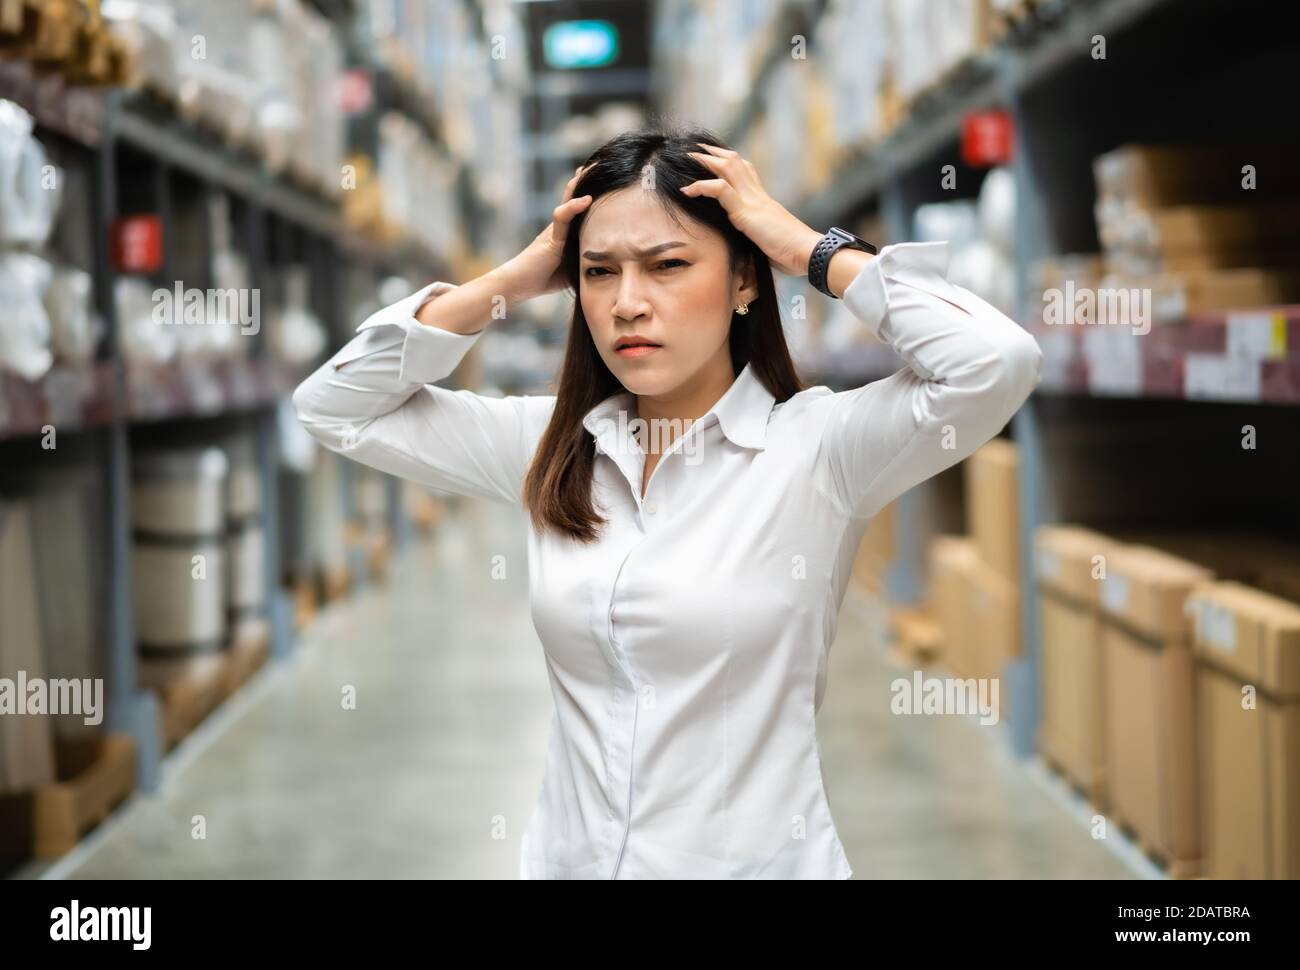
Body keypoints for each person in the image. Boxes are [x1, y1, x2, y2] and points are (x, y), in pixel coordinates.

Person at [292, 126, 1043, 879]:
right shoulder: (552, 450)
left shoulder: (818, 451)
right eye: (598, 272)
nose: (627, 304)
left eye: (668, 266)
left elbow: (995, 362)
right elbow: (334, 406)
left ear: (745, 280)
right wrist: (511, 282)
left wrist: (805, 248)